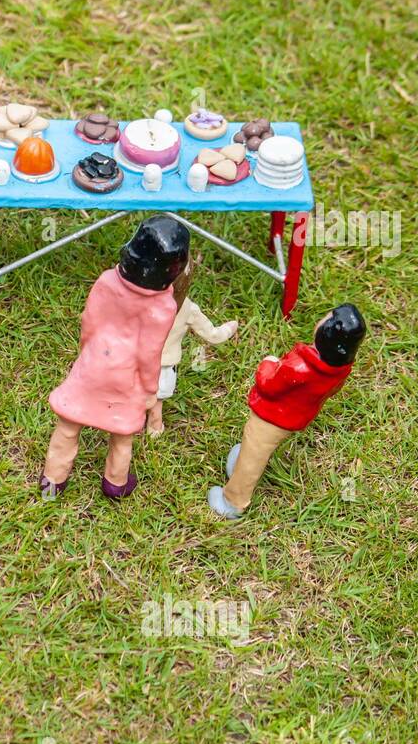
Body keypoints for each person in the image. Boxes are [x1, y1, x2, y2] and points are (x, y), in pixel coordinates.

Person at [41, 214, 189, 500]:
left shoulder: (108, 281)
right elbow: (149, 354)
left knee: (69, 425)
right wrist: (148, 389)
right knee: (122, 436)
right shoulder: (161, 307)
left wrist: (87, 354)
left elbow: (89, 323)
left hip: (94, 362)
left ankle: (53, 479)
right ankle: (115, 483)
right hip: (127, 376)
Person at [208, 304, 366, 519]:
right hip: (295, 417)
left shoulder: (300, 367)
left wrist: (268, 363)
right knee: (255, 446)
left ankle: (233, 501)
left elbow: (269, 385)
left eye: (325, 319)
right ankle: (239, 463)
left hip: (272, 415)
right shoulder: (339, 369)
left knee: (255, 451)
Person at [145, 261, 238, 436]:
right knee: (156, 402)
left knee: (136, 392)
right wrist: (228, 329)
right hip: (165, 363)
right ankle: (154, 427)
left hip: (139, 359)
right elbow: (212, 335)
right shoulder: (188, 309)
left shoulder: (143, 301)